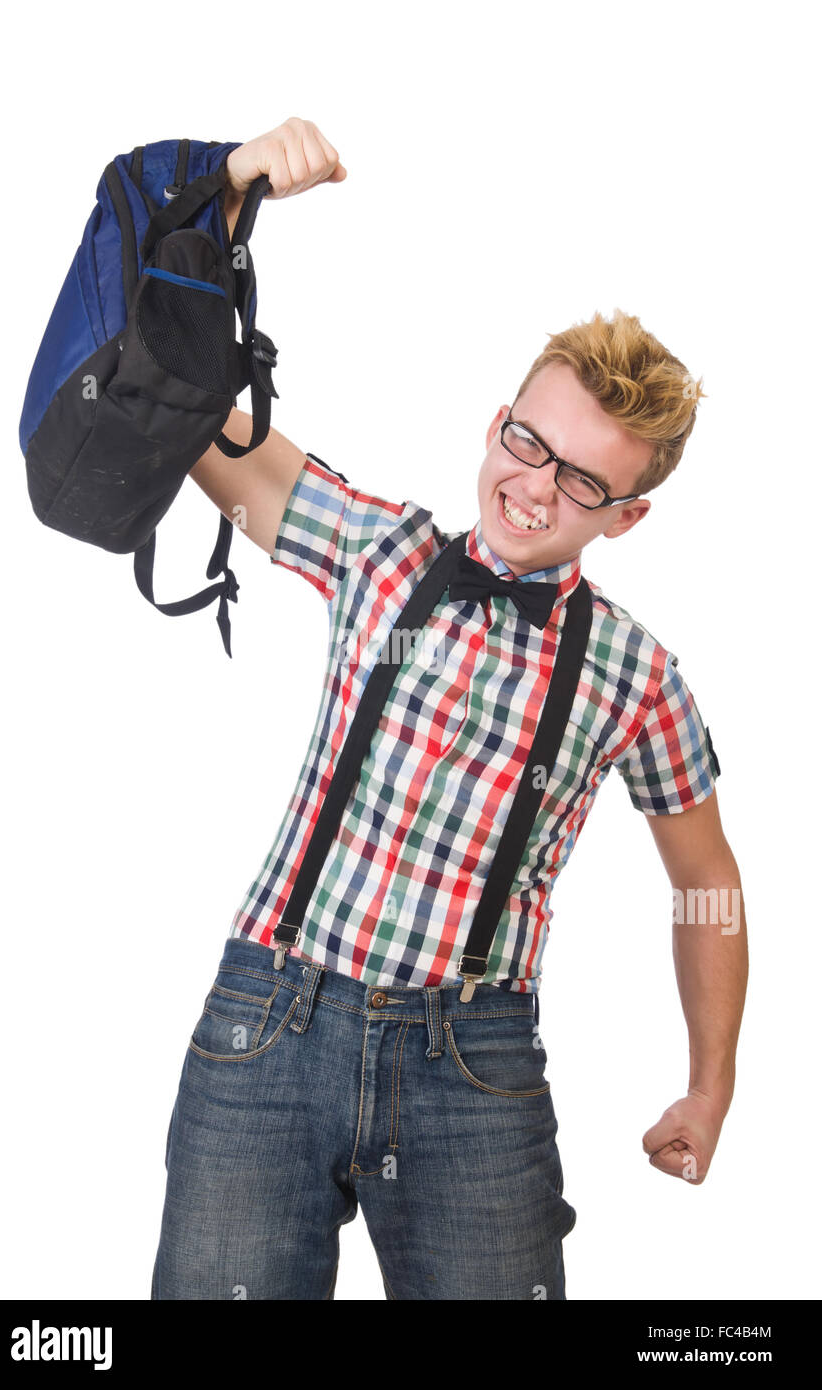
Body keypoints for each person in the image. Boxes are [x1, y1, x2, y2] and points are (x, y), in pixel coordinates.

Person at [151, 118, 747, 1301]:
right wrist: (226, 192)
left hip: (473, 1064)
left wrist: (711, 1081)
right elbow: (183, 404)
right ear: (497, 423)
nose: (538, 487)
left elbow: (710, 883)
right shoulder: (379, 551)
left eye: (585, 480)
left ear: (624, 517)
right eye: (530, 442)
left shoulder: (640, 677)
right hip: (269, 1023)